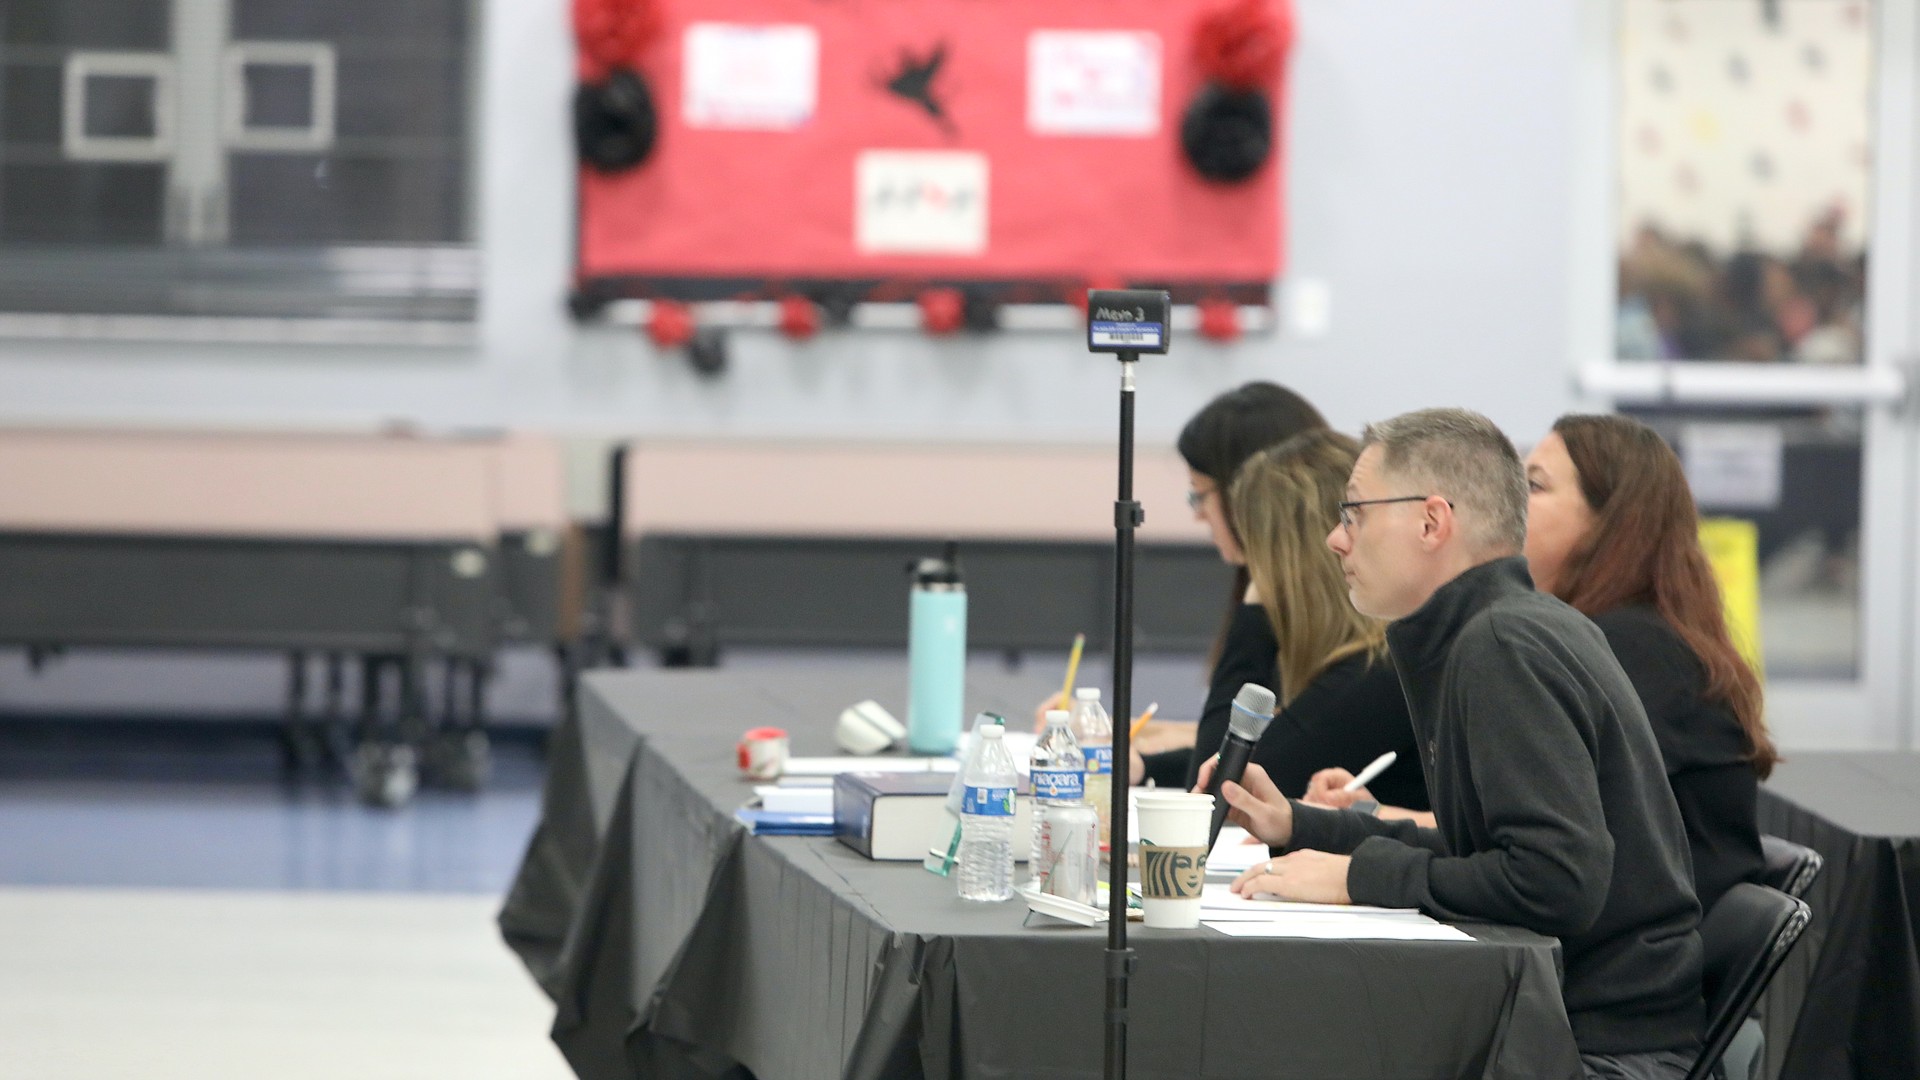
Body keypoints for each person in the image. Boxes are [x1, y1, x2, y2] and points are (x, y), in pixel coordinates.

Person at [1208, 408, 1703, 1079]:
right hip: (1581, 1023)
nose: (1334, 539)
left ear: (1431, 522)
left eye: (1353, 513)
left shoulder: (1503, 646)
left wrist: (1361, 877)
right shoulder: (1504, 628)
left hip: (1601, 1050)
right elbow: (1488, 853)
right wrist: (1301, 824)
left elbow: (1556, 881)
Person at [1306, 413, 1774, 914]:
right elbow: (1506, 842)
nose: (1514, 502)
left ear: (1612, 519)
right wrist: (1329, 827)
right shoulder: (1532, 628)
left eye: (1534, 485)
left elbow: (1552, 870)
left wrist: (1361, 868)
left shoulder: (1542, 643)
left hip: (1609, 970)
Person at [1033, 381, 1328, 787]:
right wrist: (1145, 758)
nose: (1199, 517)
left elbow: (1219, 765)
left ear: (1251, 497)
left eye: (1199, 496)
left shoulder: (1339, 636)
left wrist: (1258, 591)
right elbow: (1252, 749)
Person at [1224, 429, 1426, 808]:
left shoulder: (1375, 675)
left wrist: (1253, 613)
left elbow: (1221, 788)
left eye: (1258, 556)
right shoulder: (1368, 663)